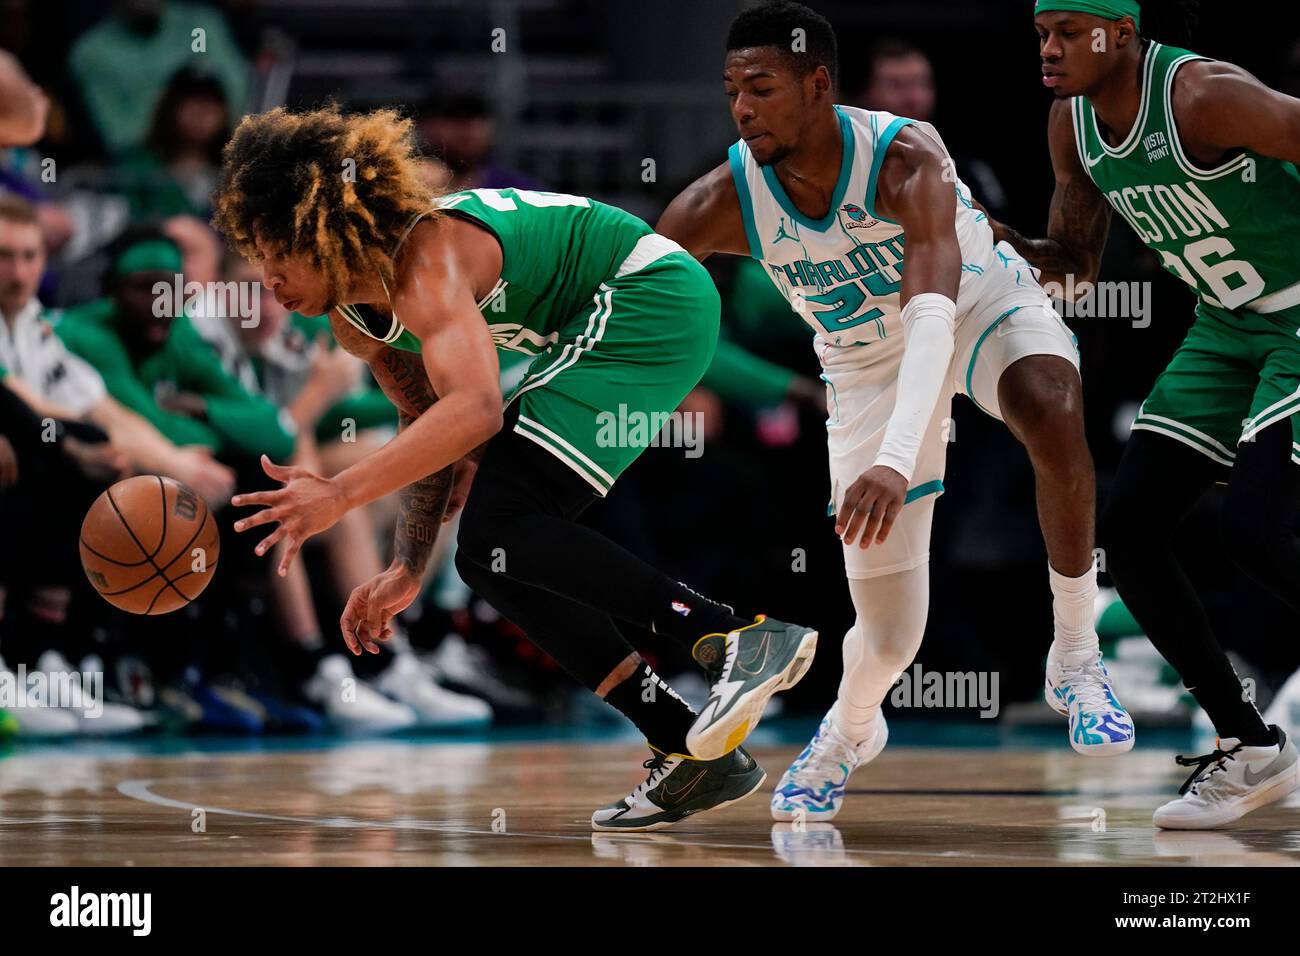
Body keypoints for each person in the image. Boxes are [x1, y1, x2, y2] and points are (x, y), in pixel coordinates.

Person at [212, 104, 819, 830]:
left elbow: (475, 411)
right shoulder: (355, 317)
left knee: (506, 522)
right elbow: (430, 422)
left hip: (643, 296)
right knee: (492, 555)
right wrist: (409, 565)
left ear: (324, 228)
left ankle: (737, 638)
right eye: (256, 250)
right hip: (617, 320)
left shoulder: (422, 258)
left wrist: (339, 493)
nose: (268, 276)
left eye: (279, 249)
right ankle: (688, 746)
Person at [656, 0, 1134, 823]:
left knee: (1050, 402)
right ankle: (846, 730)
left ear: (817, 85)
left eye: (762, 88)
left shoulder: (905, 156)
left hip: (978, 307)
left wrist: (896, 456)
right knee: (888, 634)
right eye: (732, 89)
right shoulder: (716, 199)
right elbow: (647, 303)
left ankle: (1078, 655)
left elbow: (933, 319)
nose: (742, 108)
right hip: (864, 369)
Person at [983, 0, 1300, 829]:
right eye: (1040, 36)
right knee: (1129, 531)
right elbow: (1076, 270)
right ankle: (1251, 745)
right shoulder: (1072, 125)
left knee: (1257, 531)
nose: (1048, 51)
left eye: (1066, 35)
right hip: (1224, 328)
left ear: (1120, 35)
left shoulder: (1202, 96)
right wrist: (992, 241)